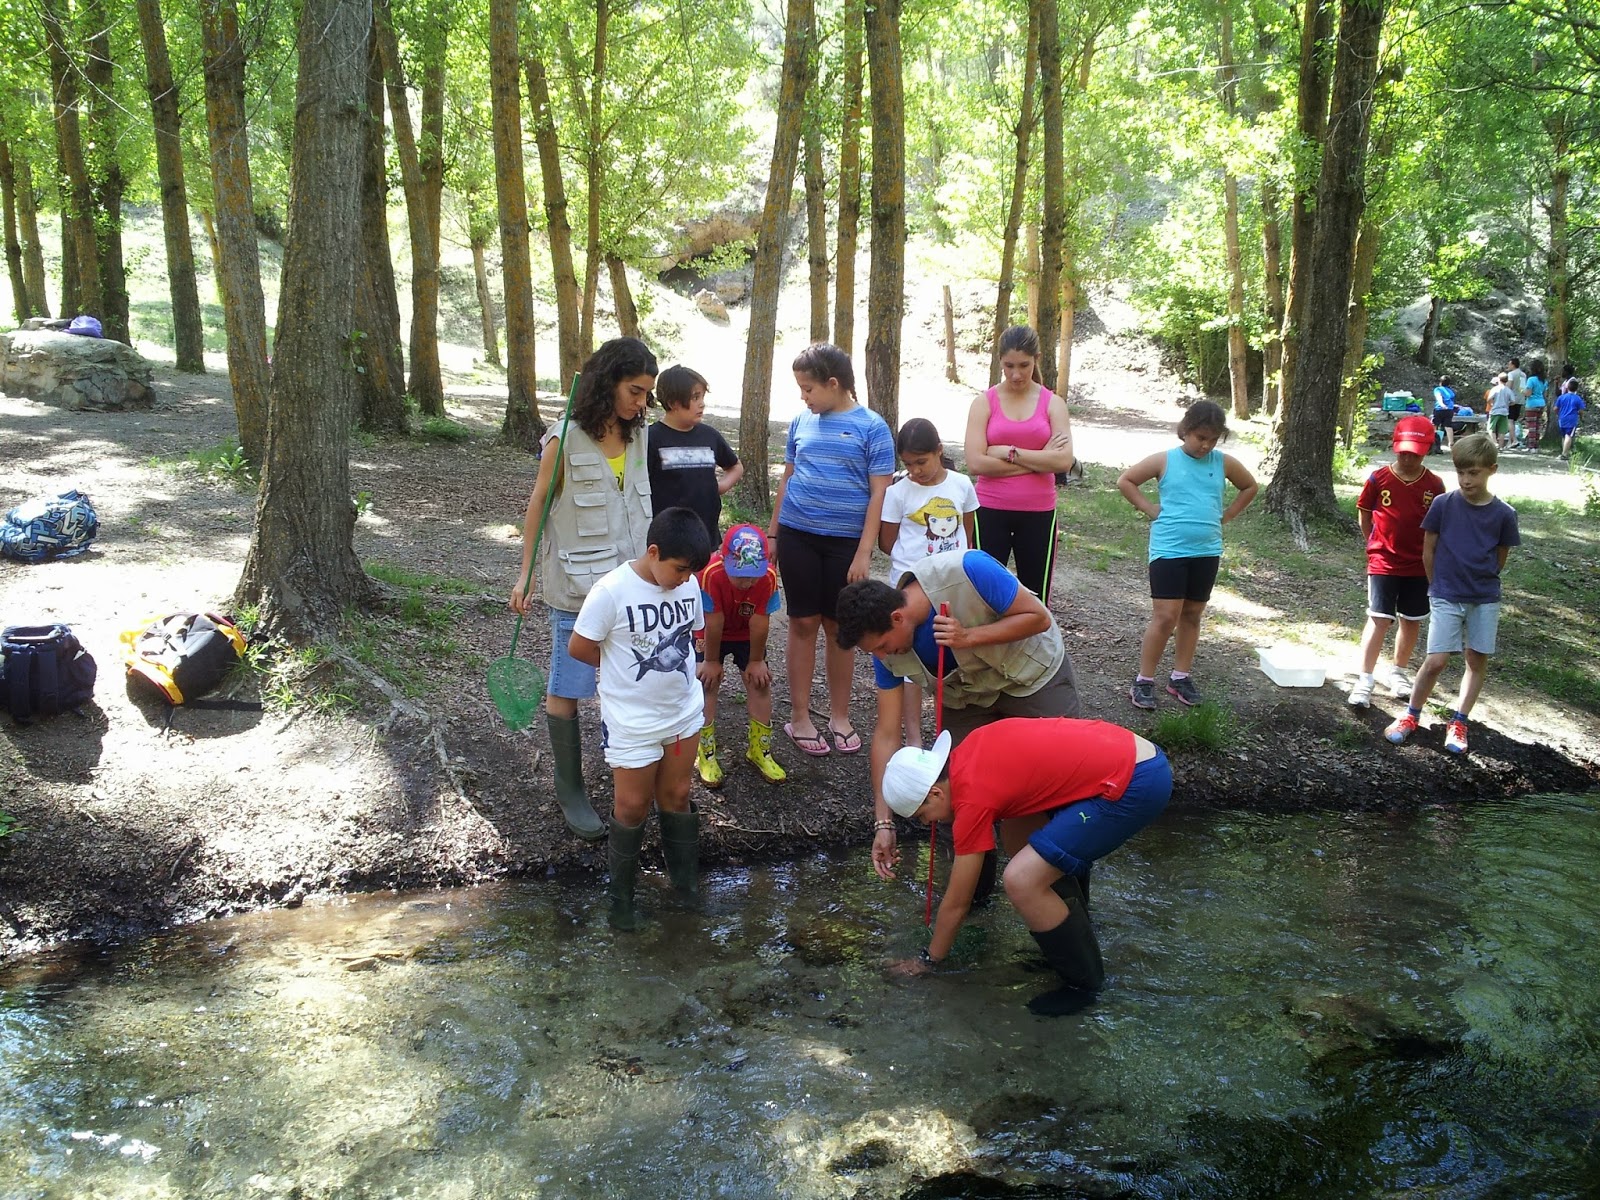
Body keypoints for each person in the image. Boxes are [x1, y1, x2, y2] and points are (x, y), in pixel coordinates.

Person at [880, 718, 1171, 1016]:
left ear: (936, 794)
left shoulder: (971, 799)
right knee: (1018, 837)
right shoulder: (969, 753)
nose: (927, 823)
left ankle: (1084, 987)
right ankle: (1069, 947)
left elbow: (957, 903)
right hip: (1136, 757)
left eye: (921, 815)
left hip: (1135, 782)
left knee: (1022, 880)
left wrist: (928, 961)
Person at [835, 549, 1082, 883]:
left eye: (881, 645)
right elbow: (887, 733)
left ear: (896, 617)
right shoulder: (885, 651)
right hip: (967, 700)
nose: (881, 656)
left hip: (1032, 677)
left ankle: (1067, 890)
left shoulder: (968, 570)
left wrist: (968, 637)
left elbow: (1038, 617)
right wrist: (884, 822)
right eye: (873, 651)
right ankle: (973, 899)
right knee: (957, 796)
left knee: (1059, 782)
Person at [510, 337, 657, 841]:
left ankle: (629, 777)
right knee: (569, 684)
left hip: (633, 583)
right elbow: (539, 503)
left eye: (646, 394)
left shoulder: (639, 436)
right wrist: (525, 571)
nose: (641, 402)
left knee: (628, 680)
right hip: (578, 586)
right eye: (635, 390)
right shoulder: (564, 437)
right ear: (607, 381)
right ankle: (569, 787)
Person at [568, 506, 713, 929]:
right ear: (653, 551)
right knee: (631, 806)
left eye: (692, 571)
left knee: (678, 794)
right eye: (680, 569)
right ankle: (622, 901)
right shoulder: (611, 591)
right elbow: (580, 646)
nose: (686, 578)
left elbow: (692, 637)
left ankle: (685, 890)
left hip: (683, 714)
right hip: (631, 722)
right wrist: (618, 668)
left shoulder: (687, 587)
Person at [767, 343, 895, 758]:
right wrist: (773, 534)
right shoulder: (802, 421)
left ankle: (839, 715)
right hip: (797, 535)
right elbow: (787, 477)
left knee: (839, 628)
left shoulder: (872, 427)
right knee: (802, 623)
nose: (803, 397)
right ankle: (800, 716)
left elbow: (879, 495)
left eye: (808, 388)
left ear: (834, 384)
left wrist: (864, 554)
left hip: (845, 544)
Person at [1117, 399, 1259, 710]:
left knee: (1192, 614)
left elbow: (1249, 486)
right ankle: (1143, 680)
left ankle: (1180, 676)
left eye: (1212, 439)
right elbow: (1126, 480)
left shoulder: (1223, 463)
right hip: (1169, 550)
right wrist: (1149, 508)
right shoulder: (1164, 460)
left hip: (1207, 550)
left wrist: (1229, 514)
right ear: (1185, 431)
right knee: (1166, 616)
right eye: (1200, 437)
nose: (1205, 445)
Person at [1384, 434, 1519, 756]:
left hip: (1484, 596)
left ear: (1491, 470)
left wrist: (1484, 579)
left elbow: (1501, 555)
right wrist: (1436, 584)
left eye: (1474, 473)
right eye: (1461, 472)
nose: (1466, 479)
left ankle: (1459, 721)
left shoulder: (1504, 513)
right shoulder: (1444, 504)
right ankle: (1411, 715)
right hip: (1446, 593)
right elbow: (1428, 547)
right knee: (1436, 661)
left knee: (1476, 658)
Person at [878, 417, 979, 749]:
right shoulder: (898, 492)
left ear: (939, 451)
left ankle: (952, 735)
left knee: (953, 656)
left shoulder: (962, 485)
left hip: (953, 586)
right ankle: (915, 738)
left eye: (921, 462)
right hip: (910, 591)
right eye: (908, 464)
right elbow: (887, 542)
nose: (915, 470)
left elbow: (968, 533)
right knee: (912, 664)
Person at [963, 325, 1076, 604]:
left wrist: (1008, 452)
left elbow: (1063, 460)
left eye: (1024, 365)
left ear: (1036, 359)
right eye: (1009, 366)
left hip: (1038, 512)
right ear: (999, 361)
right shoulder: (984, 402)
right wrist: (1039, 461)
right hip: (989, 509)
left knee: (1035, 595)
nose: (1016, 374)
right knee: (983, 592)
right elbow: (975, 462)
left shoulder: (1053, 403)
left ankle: (1033, 648)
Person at [1348, 415, 1447, 708]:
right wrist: (1373, 543)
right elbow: (1365, 513)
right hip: (1383, 562)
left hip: (1419, 565)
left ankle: (1398, 672)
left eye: (1414, 452)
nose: (1407, 457)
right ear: (1394, 446)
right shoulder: (1379, 478)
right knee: (1379, 618)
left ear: (1426, 450)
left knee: (1411, 620)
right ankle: (1364, 679)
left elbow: (1437, 528)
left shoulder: (1435, 484)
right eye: (1403, 450)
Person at [695, 524, 786, 786]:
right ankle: (705, 752)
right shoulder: (711, 573)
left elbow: (760, 621)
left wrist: (756, 661)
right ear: (725, 560)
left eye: (752, 575)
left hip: (746, 632)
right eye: (741, 576)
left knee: (759, 682)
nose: (748, 582)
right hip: (711, 631)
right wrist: (711, 661)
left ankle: (760, 750)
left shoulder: (767, 577)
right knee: (706, 684)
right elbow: (713, 621)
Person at [646, 364, 743, 541]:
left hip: (706, 537)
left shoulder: (709, 435)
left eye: (702, 397)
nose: (702, 403)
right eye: (695, 397)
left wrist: (719, 487)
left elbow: (735, 466)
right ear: (673, 403)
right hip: (667, 541)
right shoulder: (651, 439)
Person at [1556, 377, 1586, 460]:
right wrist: (1582, 417)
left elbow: (1555, 408)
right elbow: (1581, 410)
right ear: (1576, 388)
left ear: (1567, 387)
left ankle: (1563, 452)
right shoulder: (1578, 398)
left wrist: (1558, 414)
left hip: (1562, 419)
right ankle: (1564, 454)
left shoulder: (1561, 397)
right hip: (1572, 420)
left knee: (1563, 436)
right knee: (1569, 436)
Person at [1485, 373, 1515, 449]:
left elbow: (1489, 398)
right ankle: (1501, 447)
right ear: (1507, 380)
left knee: (1490, 428)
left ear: (1498, 379)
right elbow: (1513, 401)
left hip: (1495, 410)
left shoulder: (1495, 389)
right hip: (1505, 411)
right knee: (1502, 429)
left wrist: (1492, 404)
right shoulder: (1508, 390)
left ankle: (1495, 443)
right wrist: (1507, 404)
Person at [1522, 367, 1547, 451]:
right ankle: (1536, 445)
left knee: (1531, 426)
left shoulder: (1531, 379)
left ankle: (1531, 446)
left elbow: (1528, 393)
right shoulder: (1544, 380)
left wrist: (1522, 391)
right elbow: (1545, 393)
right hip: (1541, 403)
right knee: (1537, 425)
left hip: (1532, 404)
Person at [1506, 357, 1528, 446]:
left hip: (1512, 400)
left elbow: (1509, 387)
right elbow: (1522, 388)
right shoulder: (1523, 375)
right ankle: (1511, 441)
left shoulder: (1511, 374)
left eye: (1509, 364)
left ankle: (1514, 440)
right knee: (1514, 420)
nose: (1508, 366)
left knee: (1509, 420)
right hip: (1520, 399)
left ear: (1513, 364)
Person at [1432, 376, 1457, 450]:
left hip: (1439, 409)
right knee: (1448, 426)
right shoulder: (1451, 391)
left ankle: (1434, 442)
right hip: (1449, 410)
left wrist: (1442, 404)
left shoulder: (1438, 389)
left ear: (1440, 382)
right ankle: (1451, 444)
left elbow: (1439, 397)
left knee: (1435, 425)